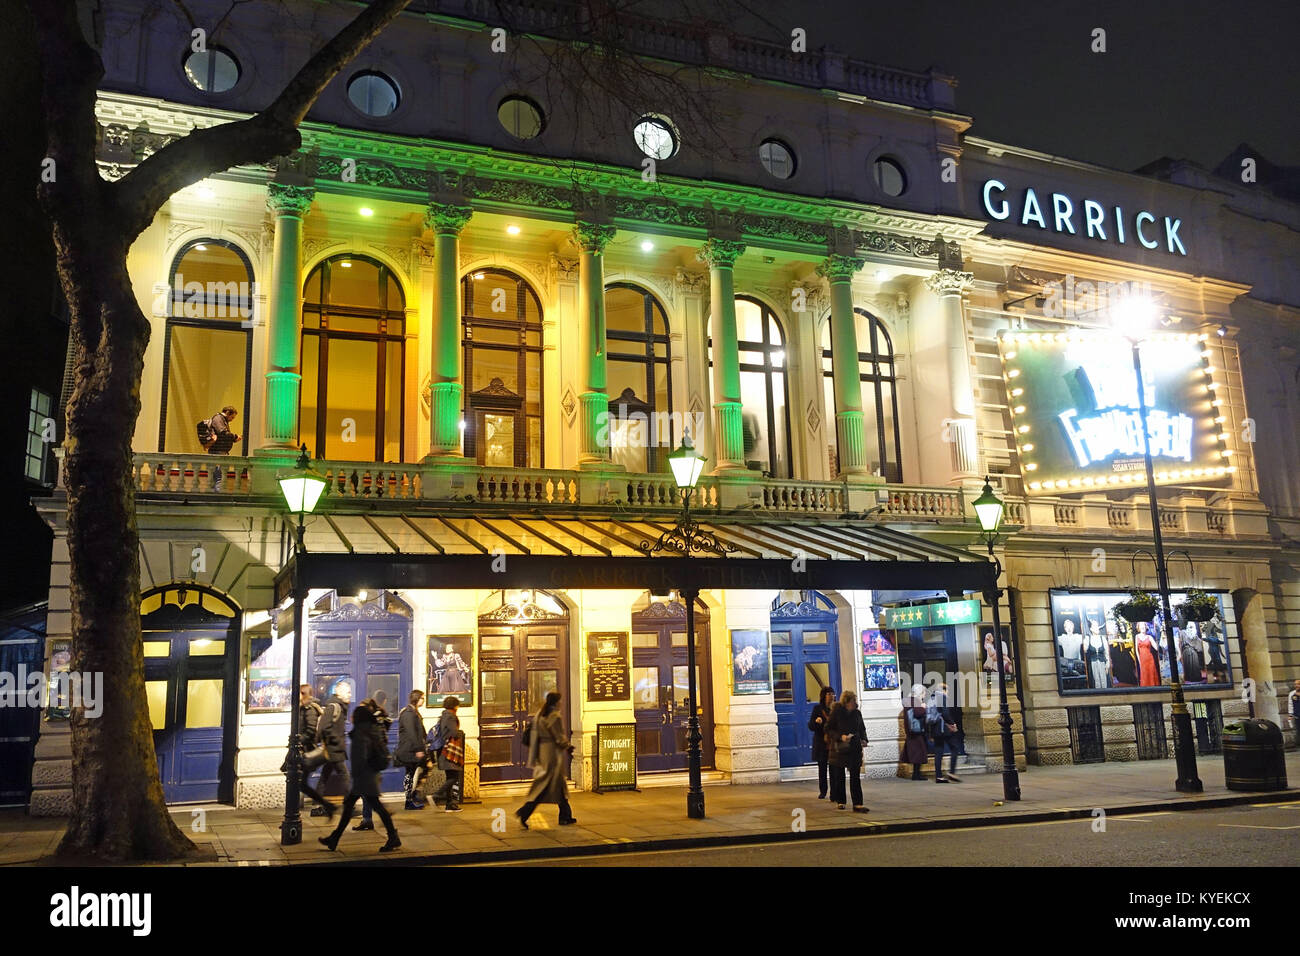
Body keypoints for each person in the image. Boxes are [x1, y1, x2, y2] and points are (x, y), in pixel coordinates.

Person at [318, 703, 401, 853]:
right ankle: (334, 838)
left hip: (364, 777)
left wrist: (356, 776)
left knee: (376, 807)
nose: (351, 717)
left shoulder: (362, 732)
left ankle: (393, 837)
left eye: (353, 715)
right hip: (366, 776)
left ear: (358, 718)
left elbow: (361, 757)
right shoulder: (369, 730)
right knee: (352, 807)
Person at [516, 691, 577, 828]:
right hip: (552, 754)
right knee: (543, 786)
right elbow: (558, 736)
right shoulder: (554, 716)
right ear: (556, 702)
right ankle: (524, 812)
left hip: (543, 752)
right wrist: (567, 746)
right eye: (560, 701)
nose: (561, 703)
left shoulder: (540, 714)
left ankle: (565, 815)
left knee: (559, 784)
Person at [294, 684, 335, 819]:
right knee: (300, 782)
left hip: (306, 750)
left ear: (304, 693)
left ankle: (294, 814)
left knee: (299, 781)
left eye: (299, 692)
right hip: (301, 749)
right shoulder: (301, 708)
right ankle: (324, 806)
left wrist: (299, 740)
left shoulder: (310, 709)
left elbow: (311, 731)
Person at [825, 690, 869, 812]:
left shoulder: (857, 713)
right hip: (840, 749)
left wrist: (864, 740)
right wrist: (841, 736)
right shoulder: (837, 712)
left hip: (854, 748)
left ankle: (858, 803)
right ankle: (841, 801)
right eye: (852, 701)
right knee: (840, 776)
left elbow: (862, 728)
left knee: (855, 777)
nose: (855, 703)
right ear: (846, 702)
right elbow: (828, 728)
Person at [316, 679, 352, 802]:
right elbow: (323, 727)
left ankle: (318, 803)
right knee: (345, 776)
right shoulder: (333, 706)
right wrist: (336, 739)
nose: (350, 695)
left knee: (325, 776)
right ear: (339, 693)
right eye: (348, 692)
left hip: (335, 748)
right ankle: (349, 805)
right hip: (334, 749)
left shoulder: (341, 707)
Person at [395, 689, 428, 810]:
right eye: (422, 698)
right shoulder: (408, 713)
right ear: (416, 699)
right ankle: (409, 799)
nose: (423, 700)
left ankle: (412, 796)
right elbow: (412, 733)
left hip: (413, 748)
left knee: (419, 770)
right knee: (410, 773)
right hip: (409, 749)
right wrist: (418, 749)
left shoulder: (414, 712)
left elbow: (420, 731)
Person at [435, 696, 465, 812]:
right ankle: (436, 795)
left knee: (450, 777)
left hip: (445, 749)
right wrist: (458, 733)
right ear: (454, 705)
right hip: (450, 751)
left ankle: (449, 804)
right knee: (454, 777)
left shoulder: (444, 715)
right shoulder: (451, 715)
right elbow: (454, 732)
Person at [928, 682, 962, 783]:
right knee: (955, 748)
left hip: (935, 728)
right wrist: (952, 724)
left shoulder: (931, 698)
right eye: (947, 690)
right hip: (944, 728)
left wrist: (930, 733)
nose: (948, 692)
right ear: (943, 690)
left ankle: (938, 776)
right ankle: (951, 772)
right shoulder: (941, 697)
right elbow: (945, 712)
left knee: (938, 751)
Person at [808, 686, 836, 799]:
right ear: (823, 696)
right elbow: (811, 726)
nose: (831, 696)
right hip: (821, 741)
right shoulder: (818, 709)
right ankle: (823, 791)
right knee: (822, 768)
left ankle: (834, 792)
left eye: (832, 694)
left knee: (834, 768)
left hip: (834, 742)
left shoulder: (836, 708)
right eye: (828, 694)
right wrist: (817, 722)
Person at [203, 405, 239, 489]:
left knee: (216, 477)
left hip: (219, 451)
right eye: (232, 417)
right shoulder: (218, 418)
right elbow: (223, 432)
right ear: (227, 413)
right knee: (219, 477)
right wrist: (235, 436)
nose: (232, 420)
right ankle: (217, 496)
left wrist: (234, 439)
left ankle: (214, 495)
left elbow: (223, 434)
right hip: (218, 451)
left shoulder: (221, 419)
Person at [901, 685, 928, 781]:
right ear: (919, 693)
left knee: (916, 752)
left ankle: (916, 774)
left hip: (912, 731)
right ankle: (916, 775)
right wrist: (924, 708)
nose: (924, 695)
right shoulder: (915, 701)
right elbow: (917, 713)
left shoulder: (908, 700)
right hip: (916, 731)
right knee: (918, 753)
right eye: (924, 693)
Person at [1083, 623, 1110, 690]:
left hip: (1102, 662)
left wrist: (1107, 665)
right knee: (1096, 682)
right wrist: (1085, 641)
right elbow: (1085, 650)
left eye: (1097, 626)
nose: (1097, 628)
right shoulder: (1088, 638)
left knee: (1104, 682)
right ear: (1091, 629)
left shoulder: (1102, 638)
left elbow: (1106, 653)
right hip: (1093, 663)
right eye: (1095, 626)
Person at [1289, 680, 1300, 749]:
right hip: (1297, 716)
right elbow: (1290, 705)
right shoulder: (1292, 694)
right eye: (1295, 684)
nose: (1296, 686)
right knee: (1298, 731)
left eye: (1298, 684)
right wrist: (1290, 715)